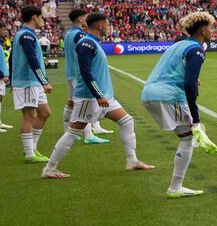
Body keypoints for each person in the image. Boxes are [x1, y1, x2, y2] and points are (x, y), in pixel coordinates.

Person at [41, 12, 154, 179]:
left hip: (103, 97)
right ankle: (49, 168)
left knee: (127, 121)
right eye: (107, 24)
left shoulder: (93, 42)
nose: (109, 27)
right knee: (73, 133)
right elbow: (85, 73)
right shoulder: (86, 43)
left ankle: (132, 161)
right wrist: (98, 94)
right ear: (100, 24)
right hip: (89, 97)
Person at [140, 11, 217, 198]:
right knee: (187, 138)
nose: (212, 31)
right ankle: (175, 188)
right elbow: (188, 84)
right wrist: (196, 117)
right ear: (202, 30)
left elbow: (178, 72)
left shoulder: (179, 45)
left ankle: (176, 187)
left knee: (185, 136)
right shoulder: (197, 50)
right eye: (210, 27)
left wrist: (192, 80)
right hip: (169, 96)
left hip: (150, 93)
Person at [10, 6, 53, 162]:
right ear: (34, 17)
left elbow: (12, 58)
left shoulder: (25, 35)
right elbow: (32, 59)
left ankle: (32, 148)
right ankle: (29, 154)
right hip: (28, 81)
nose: (43, 20)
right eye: (41, 17)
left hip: (30, 81)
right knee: (30, 116)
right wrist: (44, 81)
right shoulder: (26, 36)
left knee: (45, 112)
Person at [62, 8, 111, 144]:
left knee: (71, 102)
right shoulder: (80, 36)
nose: (86, 19)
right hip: (78, 73)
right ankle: (89, 134)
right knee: (86, 101)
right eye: (84, 17)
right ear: (79, 19)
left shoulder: (68, 34)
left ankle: (68, 129)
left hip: (70, 71)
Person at [0, 29, 12, 133]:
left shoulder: (2, 42)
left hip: (3, 75)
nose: (5, 31)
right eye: (3, 29)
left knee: (0, 99)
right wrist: (2, 75)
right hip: (0, 76)